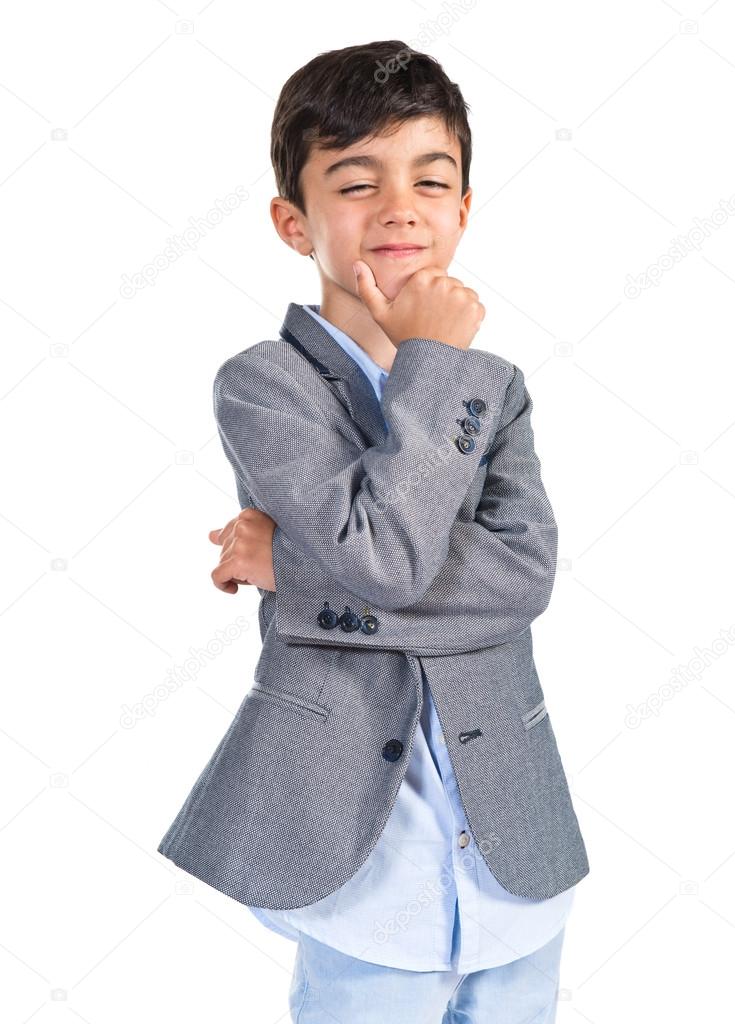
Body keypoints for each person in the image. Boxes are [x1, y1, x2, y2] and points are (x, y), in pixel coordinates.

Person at [157, 39, 589, 1023]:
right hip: (359, 856)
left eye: (429, 180)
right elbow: (386, 561)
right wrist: (432, 359)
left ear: (462, 210)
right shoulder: (266, 386)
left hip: (510, 844)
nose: (398, 208)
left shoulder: (497, 391)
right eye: (356, 183)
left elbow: (522, 578)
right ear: (292, 222)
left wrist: (295, 572)